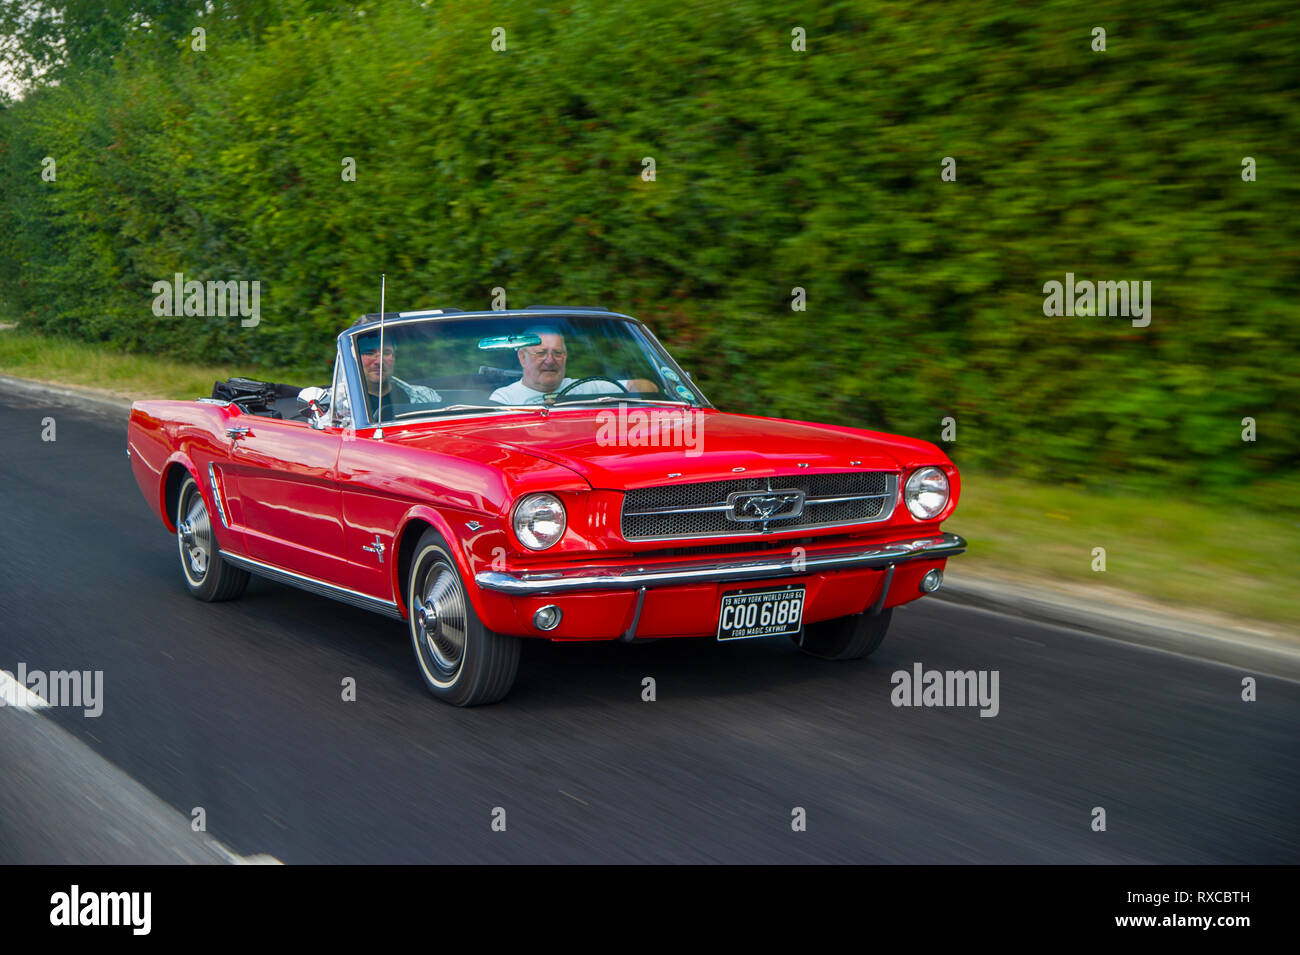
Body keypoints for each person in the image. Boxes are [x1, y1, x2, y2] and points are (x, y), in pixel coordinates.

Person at [488, 327, 655, 404]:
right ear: (523, 358)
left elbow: (648, 387)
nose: (550, 360)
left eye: (557, 353)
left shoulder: (588, 388)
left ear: (565, 357)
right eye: (541, 353)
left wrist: (621, 402)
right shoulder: (504, 399)